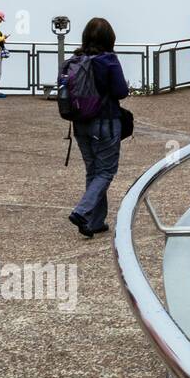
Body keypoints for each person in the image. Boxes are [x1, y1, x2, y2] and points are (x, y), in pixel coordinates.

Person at [64, 17, 130, 238]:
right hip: (106, 122)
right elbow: (121, 91)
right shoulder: (108, 60)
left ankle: (95, 221)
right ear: (110, 38)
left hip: (80, 123)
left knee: (93, 171)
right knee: (105, 171)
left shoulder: (76, 59)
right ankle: (82, 212)